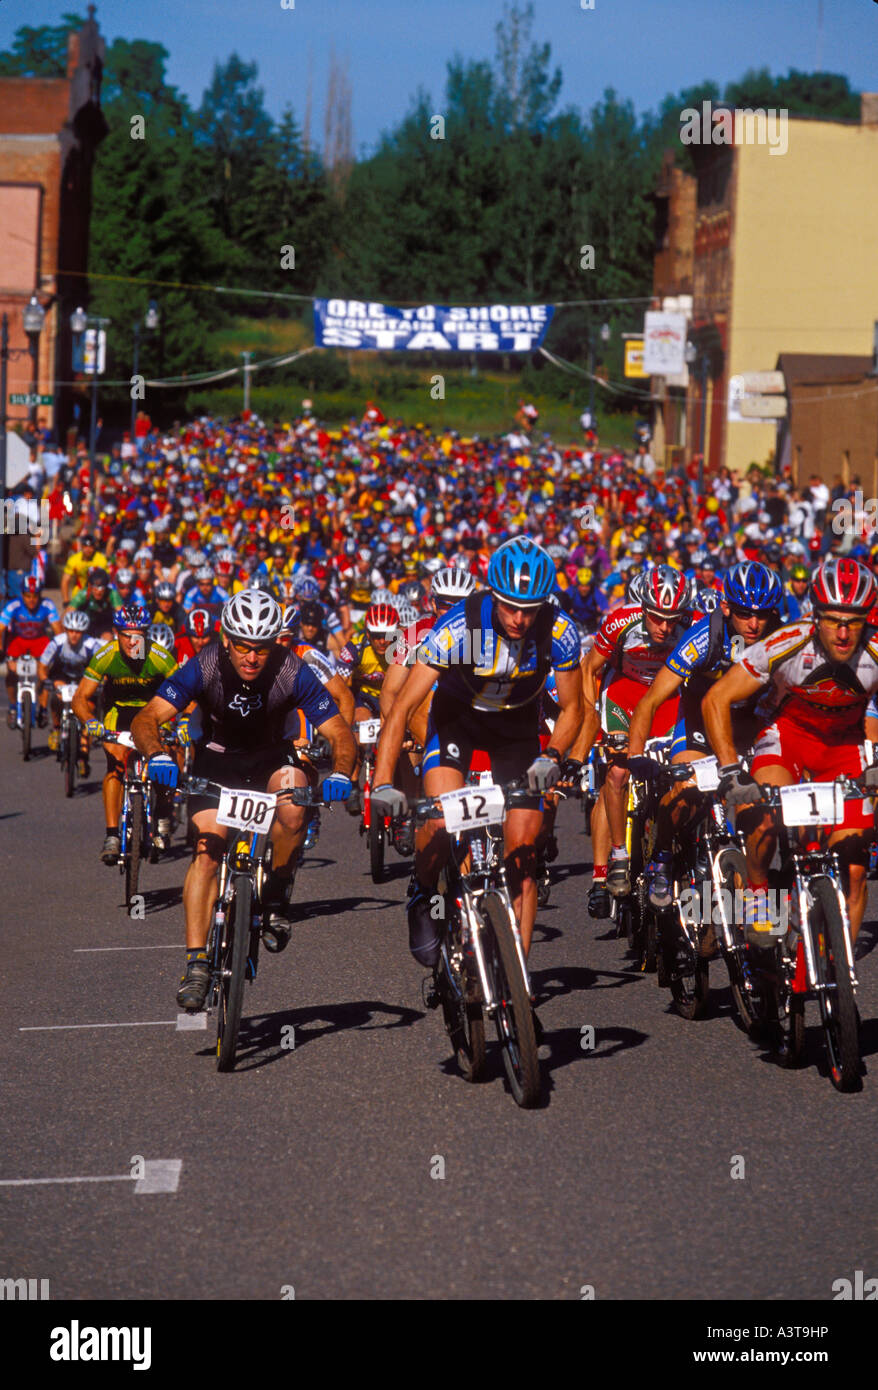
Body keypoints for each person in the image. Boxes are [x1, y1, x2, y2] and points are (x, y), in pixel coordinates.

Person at [371, 538, 584, 1025]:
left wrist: (553, 756)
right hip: (457, 725)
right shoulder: (456, 628)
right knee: (440, 821)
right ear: (494, 595)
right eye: (509, 608)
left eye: (529, 610)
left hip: (515, 732)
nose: (518, 620)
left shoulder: (561, 632)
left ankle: (518, 975)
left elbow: (574, 709)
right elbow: (402, 708)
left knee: (525, 851)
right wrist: (383, 782)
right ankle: (422, 891)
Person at [131, 590, 356, 1006]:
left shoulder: (292, 670)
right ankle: (197, 963)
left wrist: (341, 771)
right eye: (244, 647)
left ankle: (277, 893)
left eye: (262, 649)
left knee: (295, 801)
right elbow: (147, 717)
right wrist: (157, 753)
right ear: (227, 640)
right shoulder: (203, 666)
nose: (252, 658)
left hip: (271, 761)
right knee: (207, 851)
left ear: (275, 645)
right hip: (217, 764)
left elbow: (339, 730)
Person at [705, 557, 878, 945]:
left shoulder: (875, 649)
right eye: (833, 620)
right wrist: (731, 770)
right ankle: (760, 894)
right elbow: (717, 698)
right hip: (787, 740)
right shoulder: (787, 642)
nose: (844, 633)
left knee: (853, 867)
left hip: (843, 749)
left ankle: (838, 968)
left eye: (854, 620)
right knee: (765, 820)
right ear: (815, 617)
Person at [72, 604, 179, 863]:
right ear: (115, 633)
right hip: (118, 712)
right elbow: (80, 698)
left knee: (167, 756)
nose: (133, 642)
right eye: (126, 635)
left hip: (153, 712)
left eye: (139, 635)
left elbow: (185, 695)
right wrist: (90, 722)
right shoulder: (106, 654)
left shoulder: (159, 656)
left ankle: (163, 811)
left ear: (147, 634)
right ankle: (111, 834)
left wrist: (184, 722)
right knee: (115, 763)